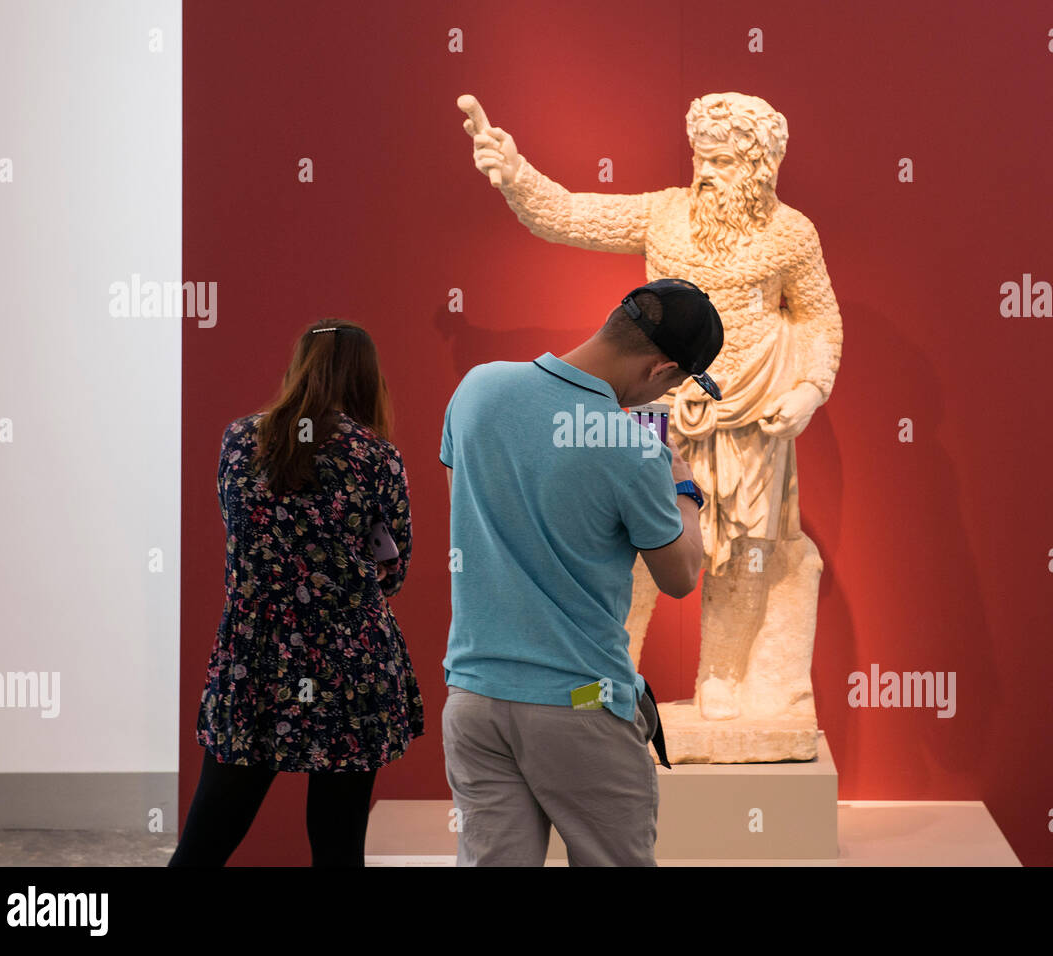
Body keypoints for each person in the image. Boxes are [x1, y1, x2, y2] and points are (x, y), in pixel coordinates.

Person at [440, 278, 722, 866]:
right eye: (673, 383)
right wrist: (685, 489)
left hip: (474, 695)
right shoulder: (635, 450)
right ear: (661, 369)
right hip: (583, 699)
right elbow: (679, 577)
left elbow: (468, 506)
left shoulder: (477, 388)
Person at [170, 319, 424, 867]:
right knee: (338, 849)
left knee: (203, 845)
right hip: (348, 663)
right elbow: (393, 569)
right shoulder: (375, 456)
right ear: (365, 376)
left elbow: (240, 536)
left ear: (299, 366)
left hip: (254, 658)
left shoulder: (240, 439)